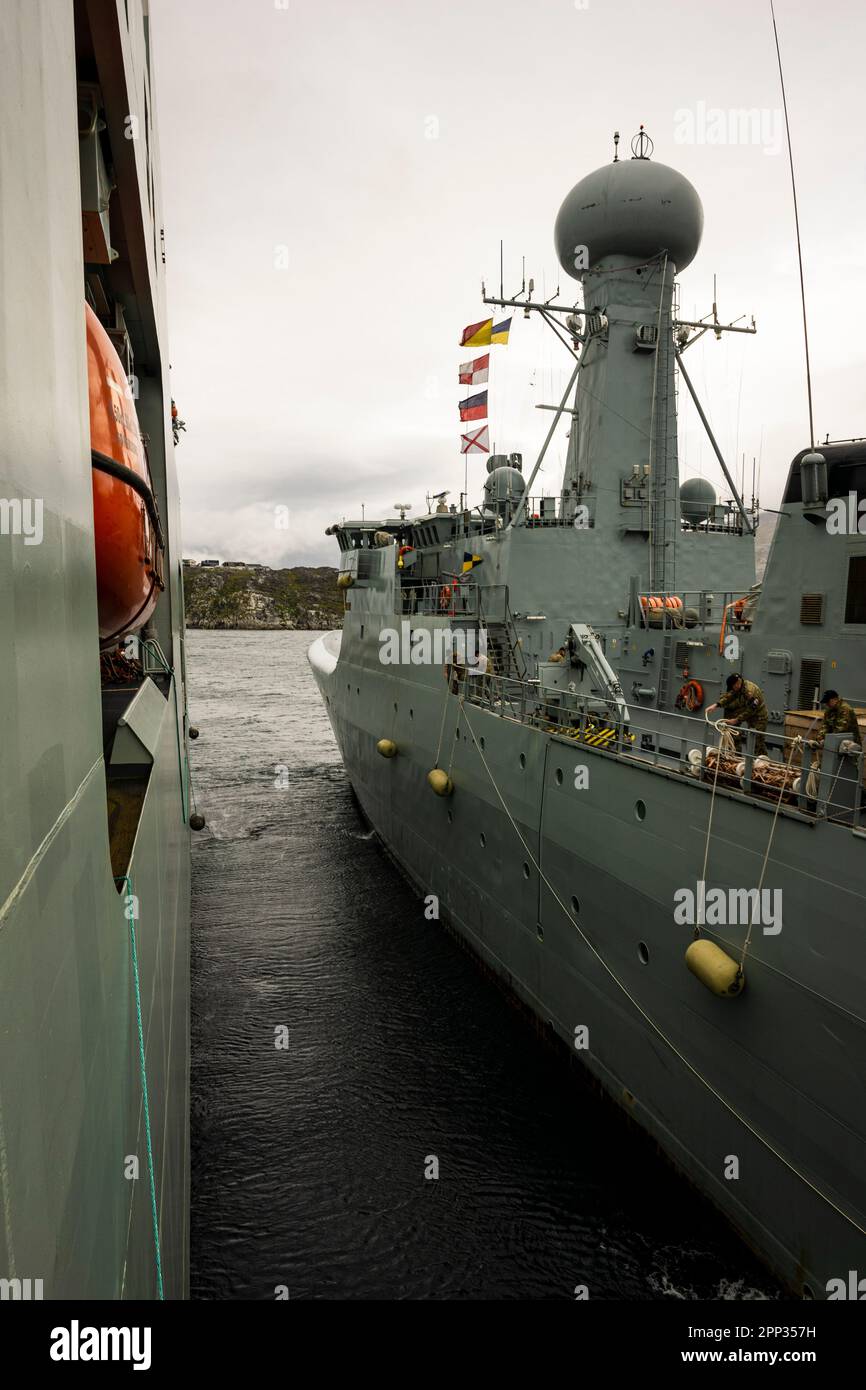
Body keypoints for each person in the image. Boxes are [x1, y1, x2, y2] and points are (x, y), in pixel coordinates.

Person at [706, 673, 768, 757]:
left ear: (737, 684)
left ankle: (762, 763)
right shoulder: (738, 687)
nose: (733, 689)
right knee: (734, 736)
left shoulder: (750, 691)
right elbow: (729, 696)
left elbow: (751, 710)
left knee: (757, 742)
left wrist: (737, 720)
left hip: (758, 716)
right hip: (747, 712)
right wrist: (716, 705)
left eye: (733, 687)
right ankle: (736, 758)